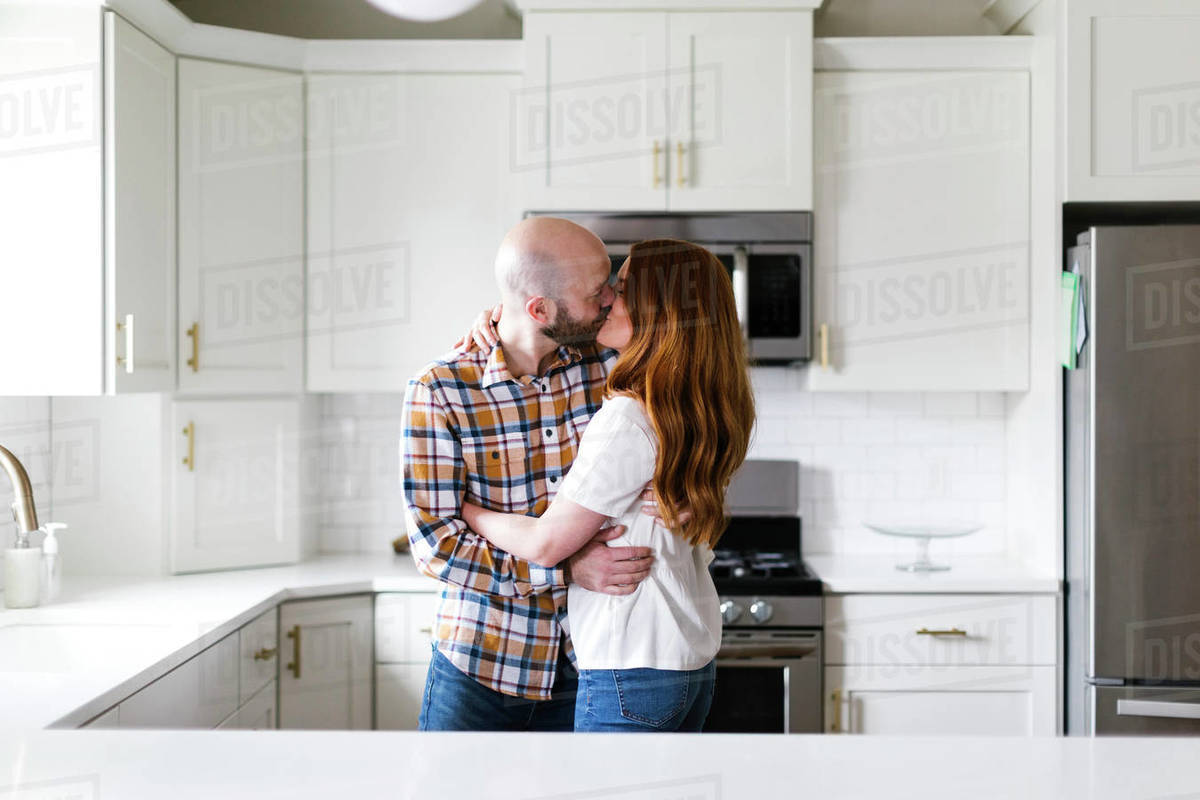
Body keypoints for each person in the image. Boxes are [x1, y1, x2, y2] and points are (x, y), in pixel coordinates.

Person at [460, 238, 756, 731]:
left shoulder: (629, 416)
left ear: (656, 313)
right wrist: (500, 316)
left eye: (617, 290)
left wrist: (469, 510)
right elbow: (539, 314)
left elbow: (546, 542)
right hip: (687, 662)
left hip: (632, 665)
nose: (603, 301)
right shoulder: (695, 406)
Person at [402, 216, 657, 731]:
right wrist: (562, 569)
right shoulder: (441, 391)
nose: (611, 298)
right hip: (480, 668)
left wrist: (694, 484)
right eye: (597, 290)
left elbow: (698, 393)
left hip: (589, 662)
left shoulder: (606, 364)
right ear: (540, 309)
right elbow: (435, 543)